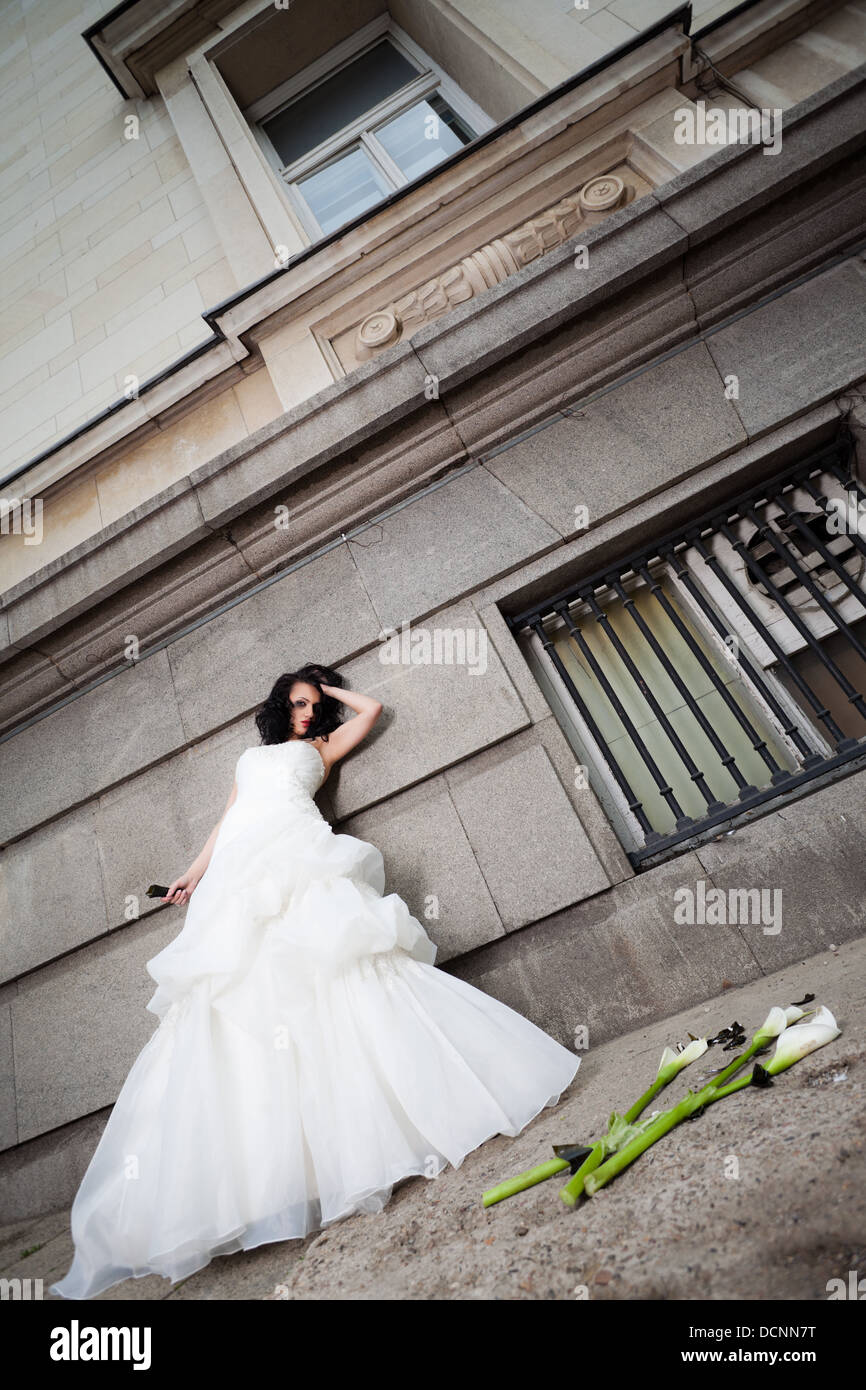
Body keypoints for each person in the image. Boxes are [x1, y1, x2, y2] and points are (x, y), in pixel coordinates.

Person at [50, 664, 580, 1300]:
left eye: (311, 705)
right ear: (278, 708)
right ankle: (276, 1178)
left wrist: (326, 691)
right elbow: (228, 820)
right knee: (236, 1002)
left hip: (300, 859)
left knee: (346, 969)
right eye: (295, 705)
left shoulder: (322, 748)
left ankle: (415, 1119)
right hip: (241, 876)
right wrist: (191, 876)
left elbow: (373, 709)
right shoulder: (251, 758)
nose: (304, 714)